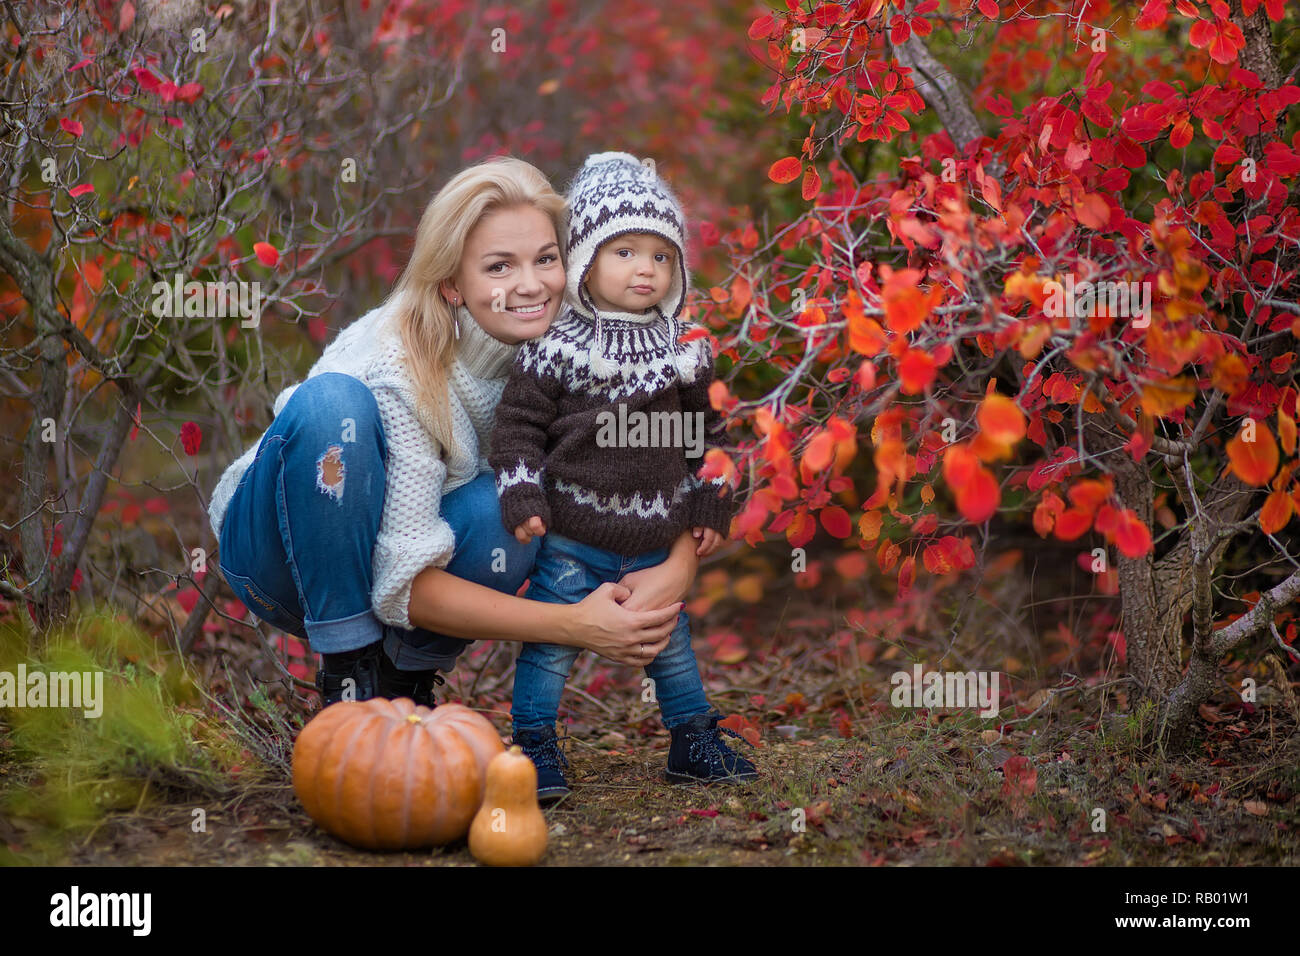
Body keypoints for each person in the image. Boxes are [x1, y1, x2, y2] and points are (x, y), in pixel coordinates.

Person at [207, 156, 700, 708]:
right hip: (284, 553)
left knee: (507, 509)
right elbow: (404, 579)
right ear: (451, 284)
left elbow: (646, 457)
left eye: (546, 258)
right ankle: (348, 681)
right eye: (498, 267)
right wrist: (574, 624)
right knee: (332, 402)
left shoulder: (571, 345)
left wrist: (680, 561)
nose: (531, 285)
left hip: (401, 555)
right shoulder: (402, 366)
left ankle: (405, 683)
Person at [490, 152, 757, 800]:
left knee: (670, 645)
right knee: (551, 647)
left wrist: (712, 502)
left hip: (652, 539)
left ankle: (691, 738)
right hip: (573, 536)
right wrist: (521, 492)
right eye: (626, 252)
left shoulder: (685, 349)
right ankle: (532, 745)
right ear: (585, 259)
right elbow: (519, 428)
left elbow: (709, 435)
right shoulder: (555, 347)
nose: (646, 268)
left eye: (661, 256)